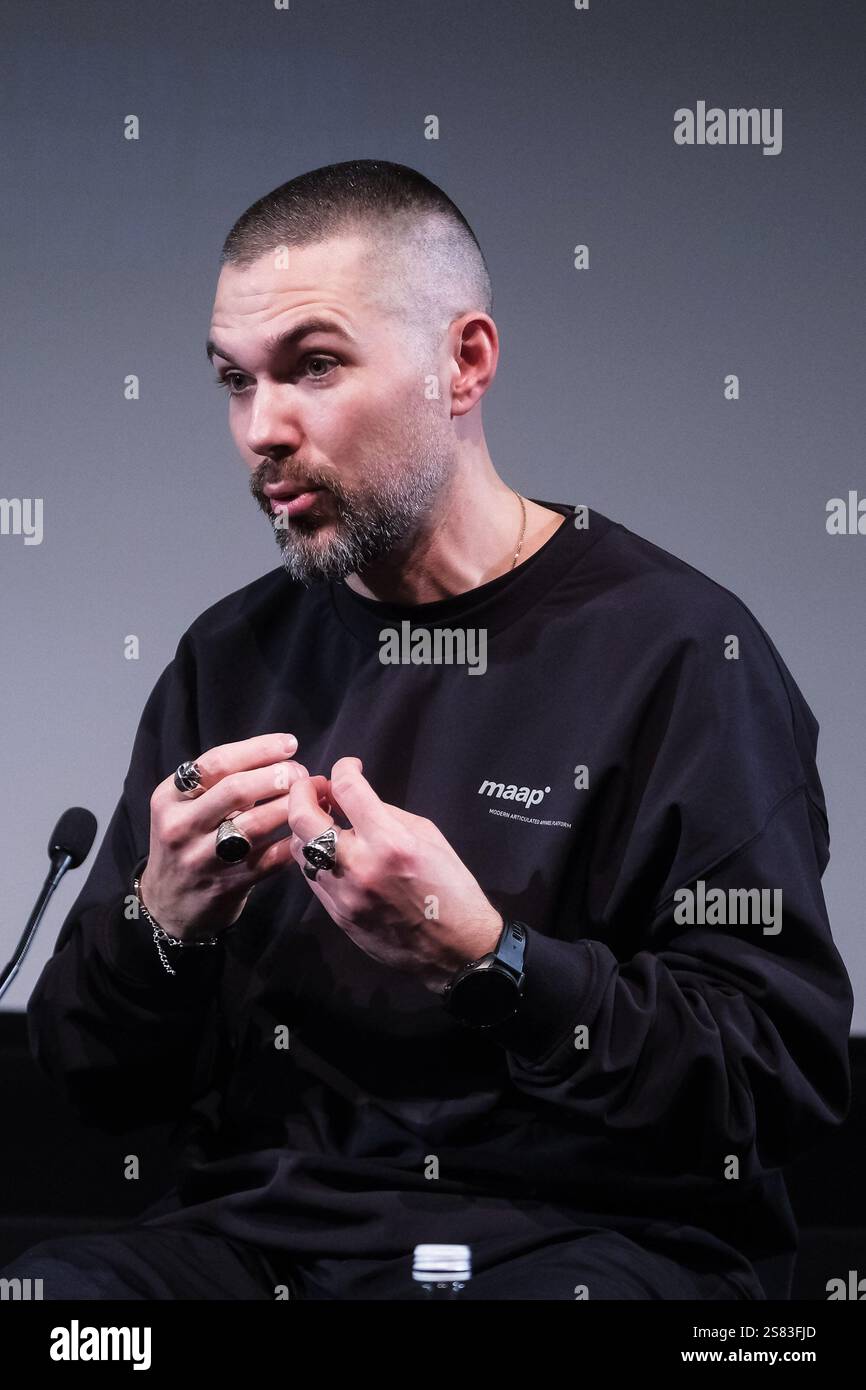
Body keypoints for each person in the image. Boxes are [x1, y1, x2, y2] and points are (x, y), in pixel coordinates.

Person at [4, 159, 852, 1301]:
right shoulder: (228, 659)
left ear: (462, 363)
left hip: (586, 1247)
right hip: (261, 1251)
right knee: (59, 1310)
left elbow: (773, 1079)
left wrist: (488, 961)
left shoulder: (682, 653)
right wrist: (159, 927)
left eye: (311, 366)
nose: (262, 427)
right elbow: (97, 1089)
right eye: (234, 381)